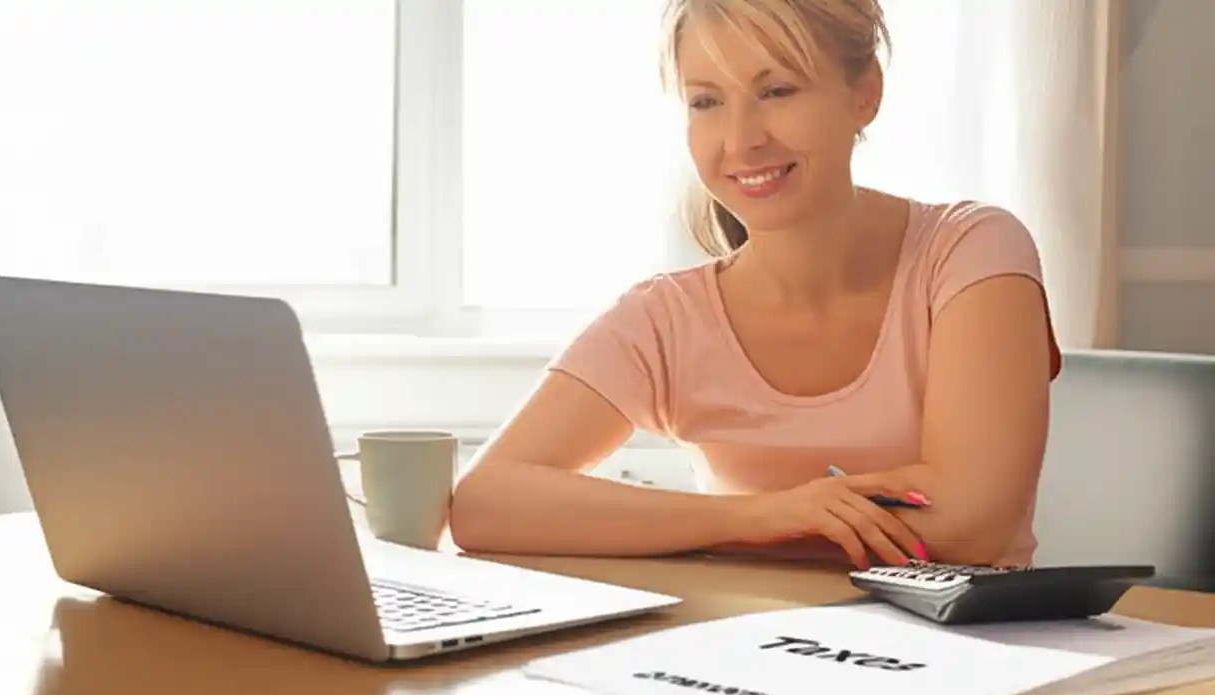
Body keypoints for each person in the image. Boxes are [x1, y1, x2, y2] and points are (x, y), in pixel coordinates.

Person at [449, 0, 1061, 570]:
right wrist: (762, 514)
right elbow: (484, 506)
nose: (741, 140)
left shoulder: (970, 250)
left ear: (865, 93)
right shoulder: (665, 317)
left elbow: (973, 523)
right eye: (706, 102)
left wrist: (730, 529)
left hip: (968, 660)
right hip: (745, 651)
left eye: (776, 91)